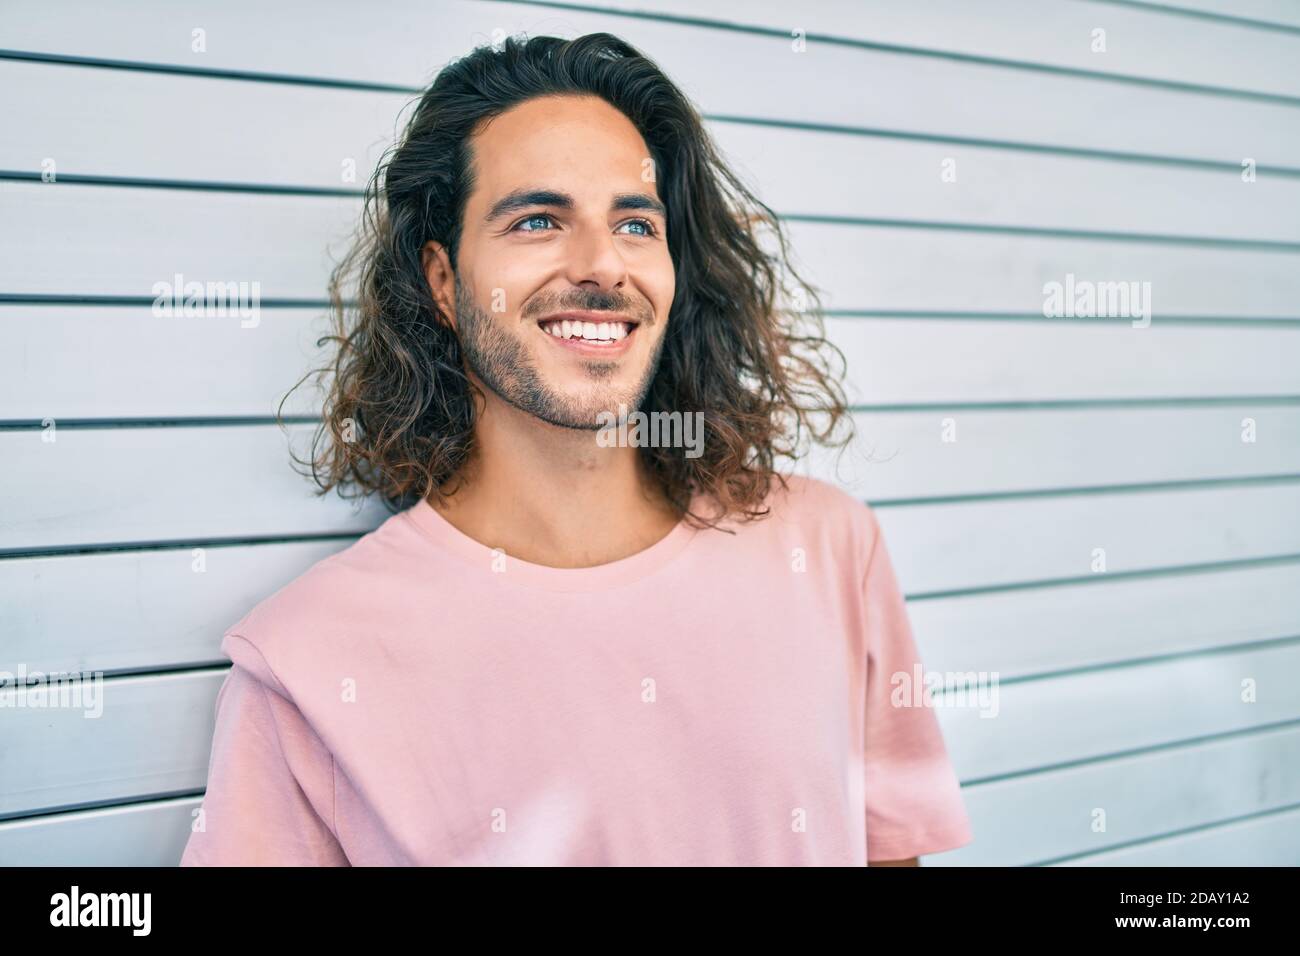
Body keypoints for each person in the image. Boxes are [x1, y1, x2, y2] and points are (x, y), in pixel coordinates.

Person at [180, 32, 972, 866]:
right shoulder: (306, 662)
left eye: (635, 222)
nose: (602, 265)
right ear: (444, 283)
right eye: (537, 220)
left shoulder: (829, 548)